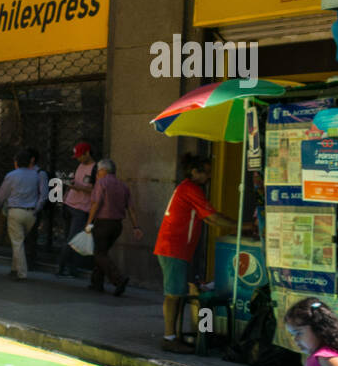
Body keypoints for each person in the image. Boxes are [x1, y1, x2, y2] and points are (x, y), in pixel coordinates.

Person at [153, 153, 234, 353]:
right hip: (174, 248)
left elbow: (209, 217)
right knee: (174, 294)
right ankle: (169, 337)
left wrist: (234, 225)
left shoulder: (188, 189)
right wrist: (243, 227)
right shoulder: (190, 189)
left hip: (179, 248)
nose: (209, 177)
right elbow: (212, 218)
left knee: (183, 292)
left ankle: (179, 334)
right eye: (205, 172)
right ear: (194, 172)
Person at [83, 158, 141, 296]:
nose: (97, 173)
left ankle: (118, 279)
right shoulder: (123, 185)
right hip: (117, 225)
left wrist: (89, 222)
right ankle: (96, 283)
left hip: (103, 223)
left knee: (99, 253)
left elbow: (96, 204)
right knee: (102, 252)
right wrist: (136, 227)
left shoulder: (101, 183)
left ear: (103, 170)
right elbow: (131, 208)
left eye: (98, 170)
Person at [0, 149, 47, 281]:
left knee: (17, 242)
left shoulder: (12, 175)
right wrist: (37, 209)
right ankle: (15, 268)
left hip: (15, 211)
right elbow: (43, 195)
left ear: (17, 162)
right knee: (19, 241)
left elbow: (2, 194)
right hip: (31, 213)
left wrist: (0, 205)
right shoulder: (37, 175)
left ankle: (21, 272)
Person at [57, 142, 97, 278]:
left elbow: (94, 189)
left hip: (81, 208)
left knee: (72, 239)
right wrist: (64, 197)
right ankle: (68, 267)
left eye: (80, 156)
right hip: (69, 205)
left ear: (87, 153)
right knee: (69, 238)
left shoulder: (95, 168)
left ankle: (63, 267)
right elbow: (74, 183)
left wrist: (77, 187)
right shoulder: (80, 165)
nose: (78, 159)